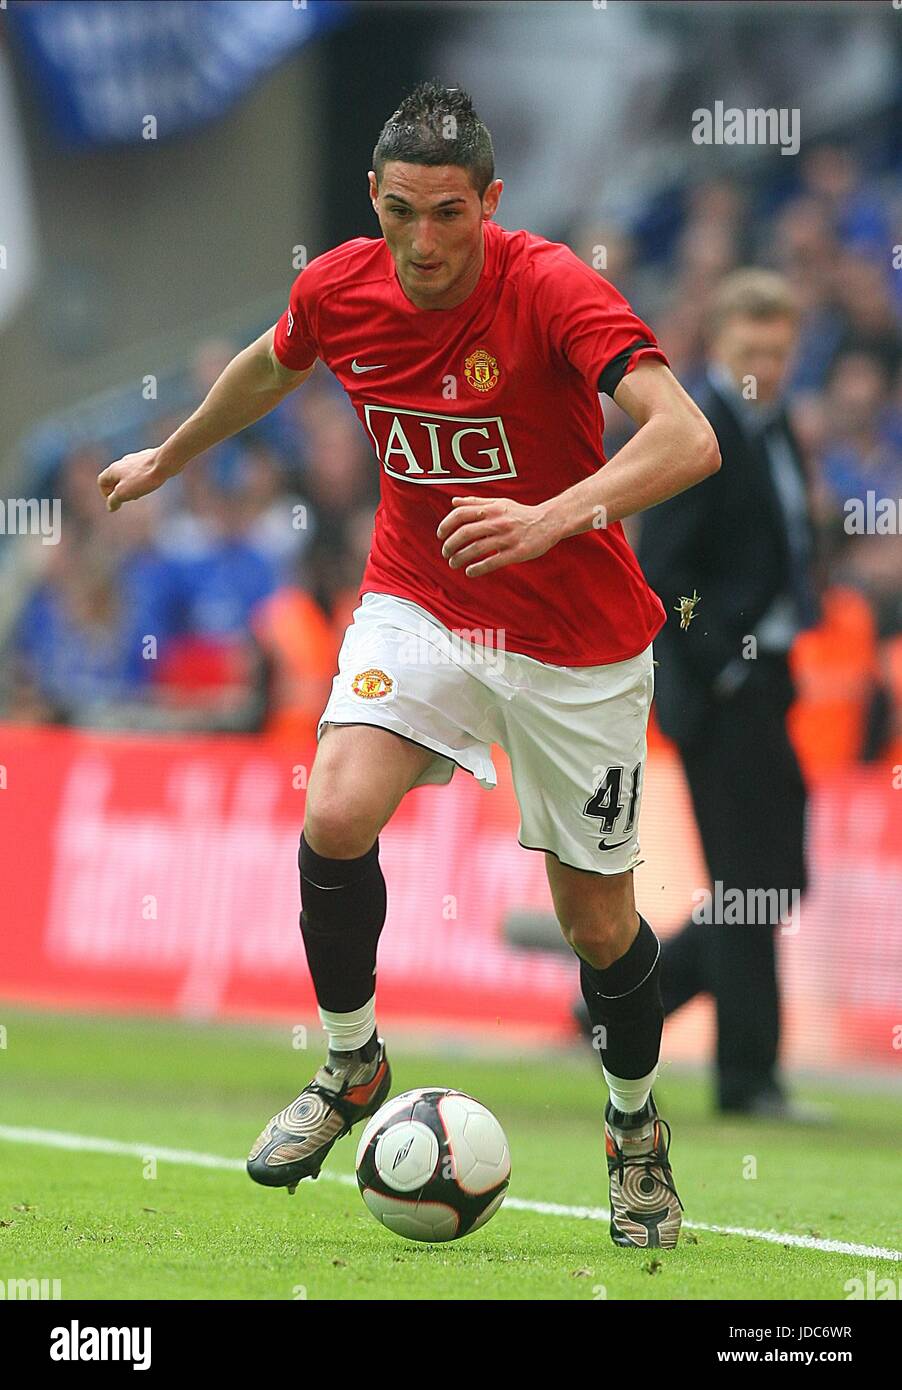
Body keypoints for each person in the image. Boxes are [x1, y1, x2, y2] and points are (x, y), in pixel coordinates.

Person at [98, 81, 720, 1249]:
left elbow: (688, 434)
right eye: (400, 213)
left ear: (489, 202)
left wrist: (554, 516)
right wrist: (172, 455)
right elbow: (273, 363)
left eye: (447, 214)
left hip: (573, 645)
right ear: (370, 200)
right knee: (334, 809)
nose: (423, 243)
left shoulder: (547, 288)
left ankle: (634, 1132)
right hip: (422, 603)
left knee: (597, 926)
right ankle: (350, 1065)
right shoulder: (341, 284)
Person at [638, 270, 820, 1117]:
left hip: (770, 681)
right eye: (752, 351)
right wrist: (720, 661)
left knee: (774, 880)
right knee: (751, 883)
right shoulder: (696, 434)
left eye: (779, 352)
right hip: (722, 692)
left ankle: (623, 1005)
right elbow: (662, 573)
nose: (767, 367)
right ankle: (748, 1081)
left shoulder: (776, 424)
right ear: (715, 345)